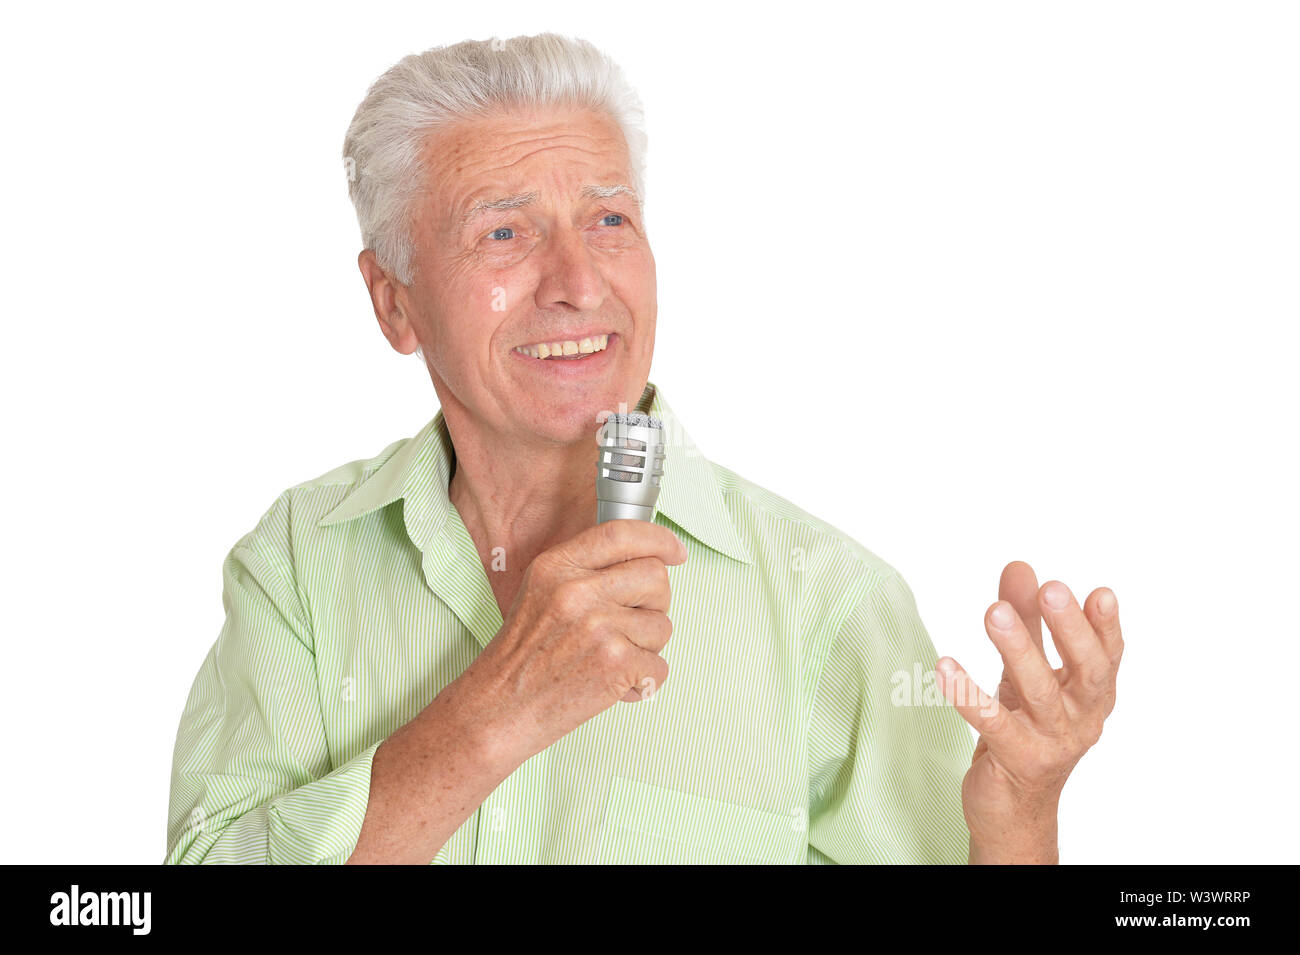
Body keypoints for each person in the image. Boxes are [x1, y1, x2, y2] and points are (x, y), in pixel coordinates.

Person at [166, 33, 1123, 865]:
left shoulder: (826, 596)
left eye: (609, 220)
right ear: (394, 302)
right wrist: (500, 712)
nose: (579, 282)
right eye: (505, 231)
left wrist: (1021, 821)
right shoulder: (298, 561)